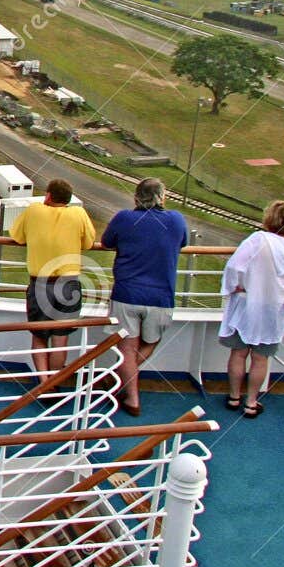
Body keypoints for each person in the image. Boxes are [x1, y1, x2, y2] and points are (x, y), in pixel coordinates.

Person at [99, 178, 188, 416]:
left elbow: (106, 242)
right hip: (161, 296)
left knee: (127, 349)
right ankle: (127, 388)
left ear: (136, 198)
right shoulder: (177, 220)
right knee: (150, 342)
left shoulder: (124, 218)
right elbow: (182, 242)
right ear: (163, 197)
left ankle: (128, 390)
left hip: (127, 294)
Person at [219, 200, 284, 419]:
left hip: (247, 305)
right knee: (261, 358)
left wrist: (234, 286)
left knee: (239, 353)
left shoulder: (258, 239)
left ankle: (234, 397)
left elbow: (234, 265)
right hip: (274, 308)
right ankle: (251, 402)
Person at [8, 178, 97, 373]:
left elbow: (17, 237)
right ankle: (54, 383)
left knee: (39, 337)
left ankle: (45, 383)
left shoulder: (34, 211)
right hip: (69, 284)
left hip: (41, 284)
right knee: (60, 339)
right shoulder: (78, 213)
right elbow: (89, 243)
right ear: (68, 199)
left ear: (48, 195)